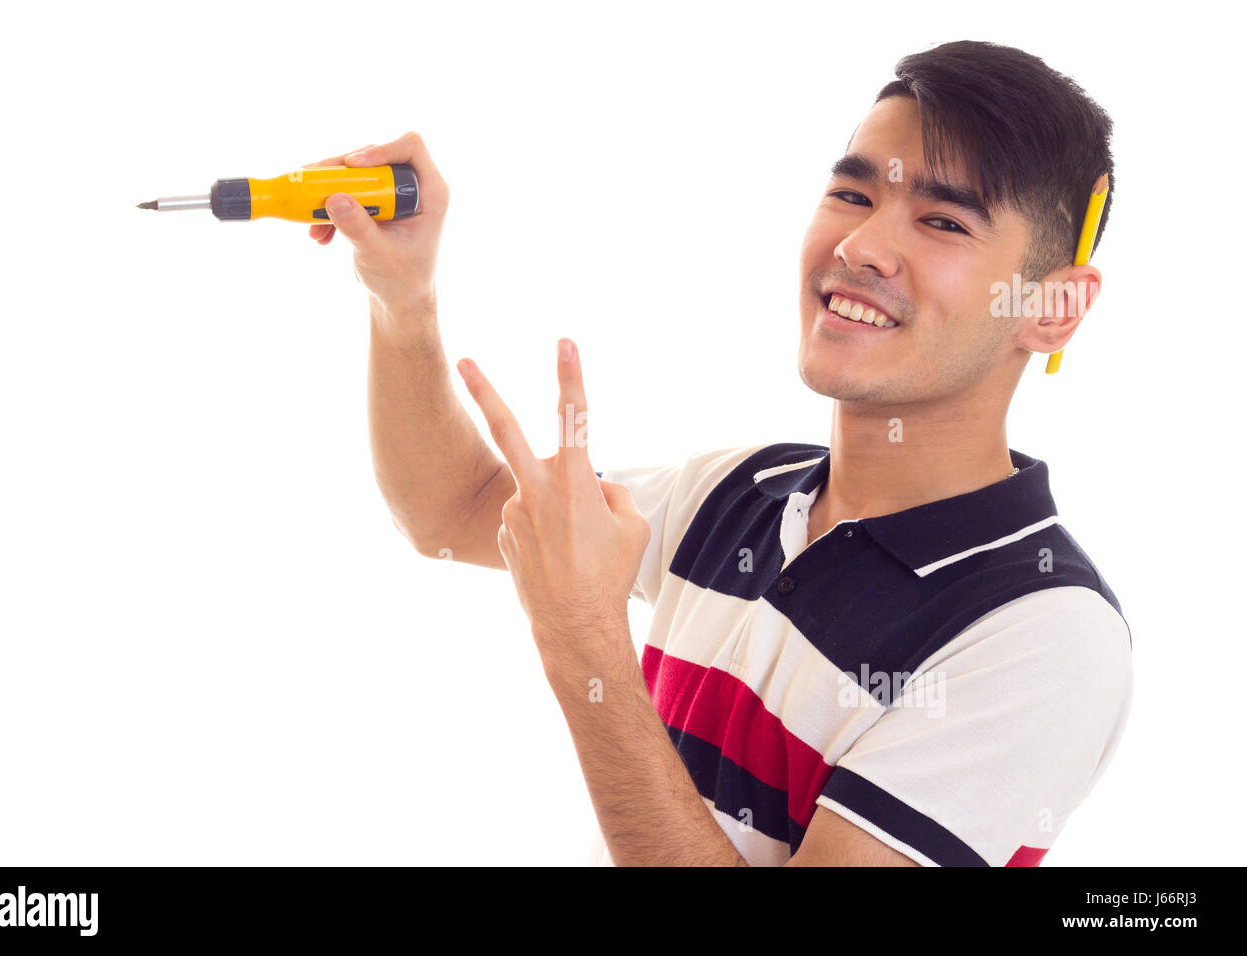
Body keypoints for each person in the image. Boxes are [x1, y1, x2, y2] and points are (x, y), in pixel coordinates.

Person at [307, 38, 1132, 866]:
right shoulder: (741, 491)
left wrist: (583, 643)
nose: (861, 247)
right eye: (852, 193)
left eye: (944, 221)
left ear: (1054, 306)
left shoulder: (1044, 632)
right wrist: (402, 297)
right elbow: (452, 512)